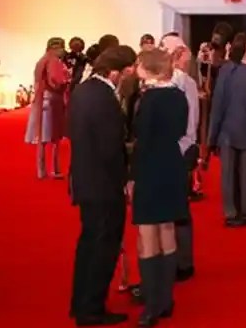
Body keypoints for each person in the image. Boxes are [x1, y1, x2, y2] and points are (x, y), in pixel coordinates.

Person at [68, 45, 137, 328]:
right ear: (114, 72)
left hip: (84, 178)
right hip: (104, 184)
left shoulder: (83, 90)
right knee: (103, 246)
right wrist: (126, 176)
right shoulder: (105, 98)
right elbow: (110, 148)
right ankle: (91, 309)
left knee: (87, 244)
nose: (129, 78)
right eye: (128, 72)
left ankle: (80, 303)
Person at [130, 49, 189, 327]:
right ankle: (165, 300)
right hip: (172, 166)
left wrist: (131, 176)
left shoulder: (149, 99)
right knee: (167, 232)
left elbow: (142, 139)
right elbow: (179, 131)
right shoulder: (179, 95)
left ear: (148, 68)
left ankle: (151, 305)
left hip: (150, 167)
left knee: (148, 236)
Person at [208, 33, 246, 227]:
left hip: (228, 129)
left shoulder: (227, 70)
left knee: (228, 173)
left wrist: (212, 136)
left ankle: (231, 212)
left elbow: (218, 104)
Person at [167, 40, 200, 280]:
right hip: (185, 147)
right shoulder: (185, 82)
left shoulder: (179, 82)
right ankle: (182, 261)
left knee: (176, 210)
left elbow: (187, 120)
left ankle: (179, 262)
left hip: (177, 149)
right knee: (180, 208)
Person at [27, 38, 72, 180]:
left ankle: (41, 169)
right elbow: (56, 82)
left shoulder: (41, 61)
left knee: (42, 136)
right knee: (55, 136)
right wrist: (67, 80)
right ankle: (55, 168)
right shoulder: (54, 61)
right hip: (53, 100)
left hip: (41, 99)